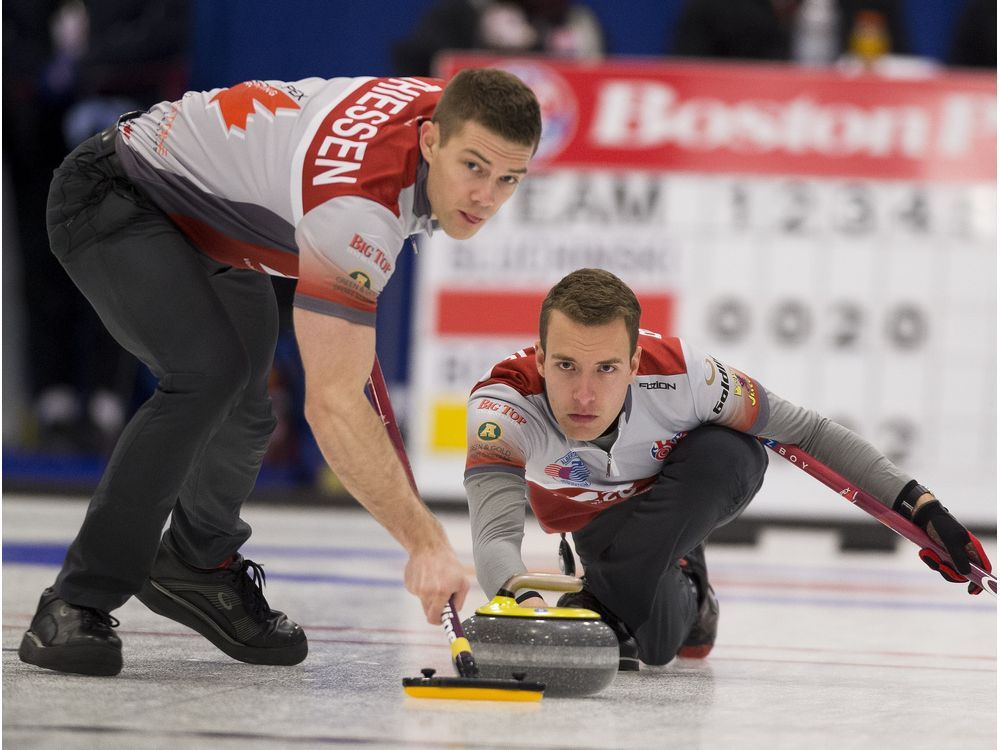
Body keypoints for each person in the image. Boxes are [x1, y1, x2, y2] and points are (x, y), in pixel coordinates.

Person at [18, 68, 542, 677]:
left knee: (247, 406)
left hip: (209, 221)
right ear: (430, 141)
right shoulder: (356, 208)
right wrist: (426, 543)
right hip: (116, 193)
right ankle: (75, 601)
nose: (486, 196)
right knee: (207, 376)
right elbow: (335, 406)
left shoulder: (449, 109)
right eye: (473, 168)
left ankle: (197, 565)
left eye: (509, 179)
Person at [464, 268, 991, 669]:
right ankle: (687, 597)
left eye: (605, 369)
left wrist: (923, 507)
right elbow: (494, 534)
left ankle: (612, 594)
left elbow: (806, 432)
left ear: (632, 364)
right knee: (655, 644)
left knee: (734, 451)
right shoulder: (503, 406)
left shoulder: (686, 376)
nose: (584, 393)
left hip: (672, 496)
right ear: (539, 360)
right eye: (565, 367)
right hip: (596, 527)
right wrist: (525, 605)